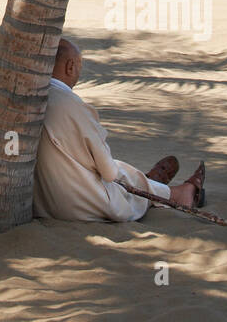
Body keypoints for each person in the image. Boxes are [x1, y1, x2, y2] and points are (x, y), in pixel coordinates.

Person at [33, 38, 205, 223]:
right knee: (117, 170)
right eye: (79, 65)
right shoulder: (72, 106)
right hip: (81, 206)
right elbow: (108, 172)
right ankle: (177, 194)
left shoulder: (29, 97)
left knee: (118, 170)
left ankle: (151, 183)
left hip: (42, 205)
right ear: (70, 66)